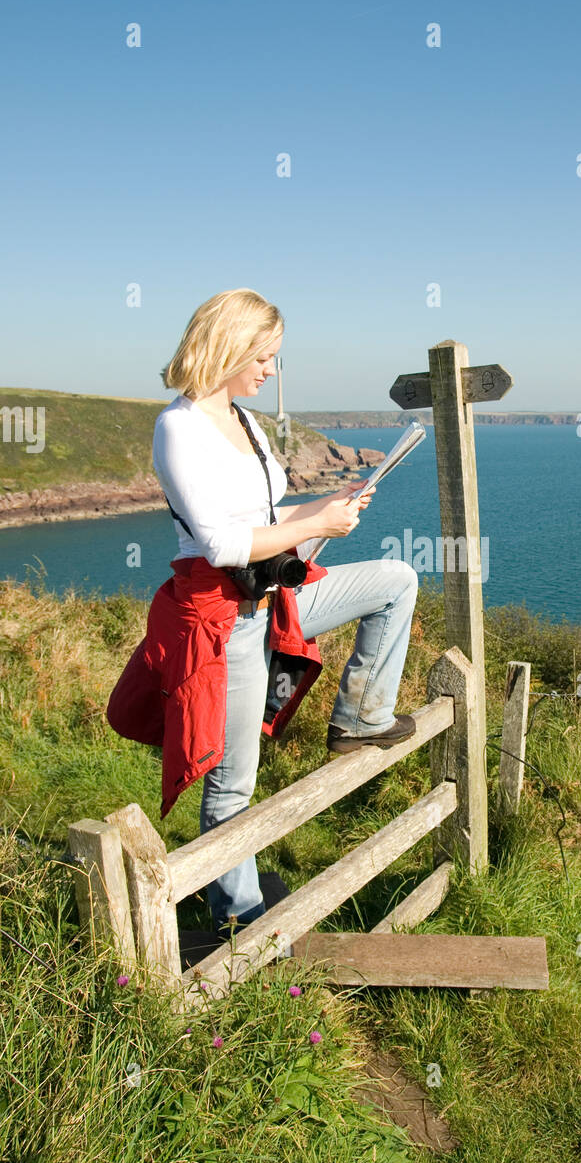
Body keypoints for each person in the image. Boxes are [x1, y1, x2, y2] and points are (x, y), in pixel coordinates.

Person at [142, 288, 418, 937]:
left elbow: (268, 522)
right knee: (233, 784)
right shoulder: (178, 426)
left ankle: (360, 717)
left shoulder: (247, 423)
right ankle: (238, 919)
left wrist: (333, 504)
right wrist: (318, 519)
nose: (270, 370)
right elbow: (221, 543)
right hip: (226, 618)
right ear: (230, 346)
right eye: (266, 356)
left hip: (277, 598)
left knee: (396, 580)